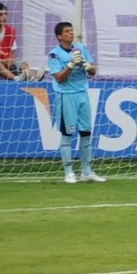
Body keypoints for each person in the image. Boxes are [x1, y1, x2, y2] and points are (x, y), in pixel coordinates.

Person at [49, 21, 101, 184]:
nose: (71, 33)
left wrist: (86, 65)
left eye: (72, 30)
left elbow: (93, 71)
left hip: (82, 94)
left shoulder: (81, 48)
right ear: (59, 36)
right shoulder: (54, 55)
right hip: (66, 96)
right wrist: (71, 64)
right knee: (67, 134)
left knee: (86, 132)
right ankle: (69, 172)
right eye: (67, 31)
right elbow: (59, 78)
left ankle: (86, 171)